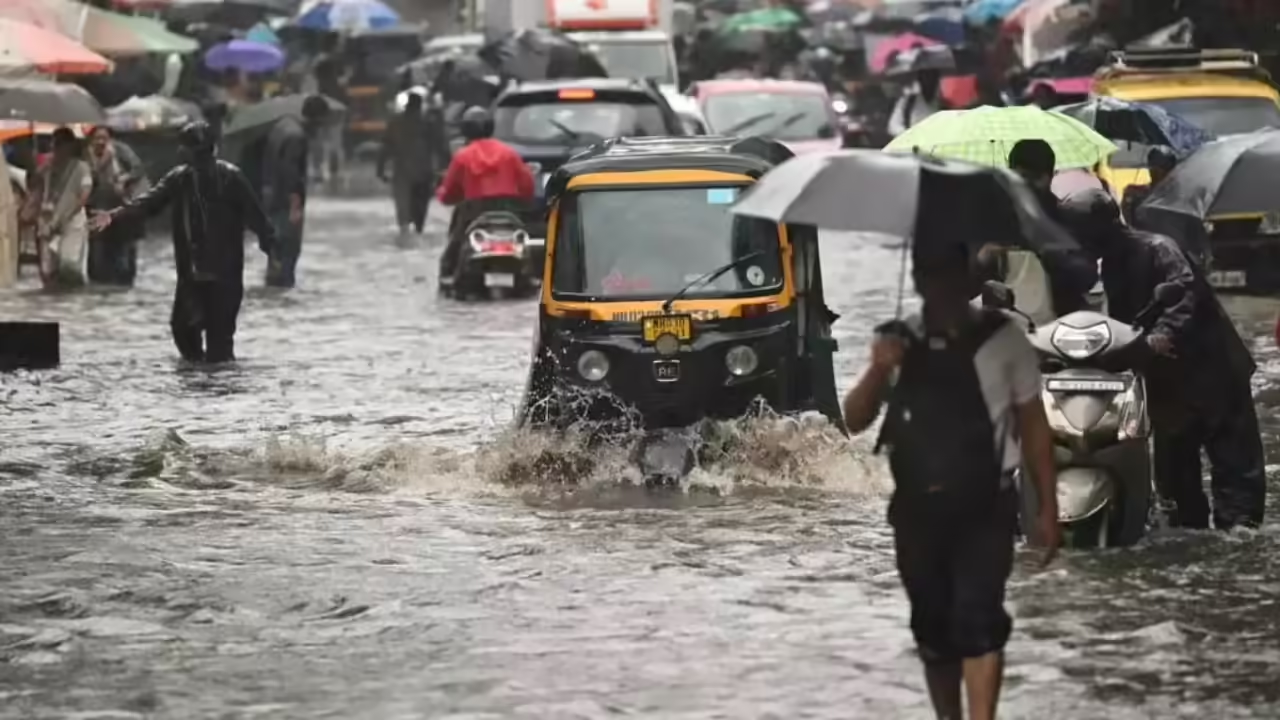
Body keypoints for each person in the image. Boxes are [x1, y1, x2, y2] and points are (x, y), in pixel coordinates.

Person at [842, 242, 1059, 720]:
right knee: (933, 630)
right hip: (917, 512)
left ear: (967, 281)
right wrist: (880, 368)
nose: (936, 286)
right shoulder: (898, 340)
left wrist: (1048, 506)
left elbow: (1034, 426)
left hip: (986, 506)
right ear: (917, 280)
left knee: (980, 618)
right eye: (927, 274)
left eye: (946, 274)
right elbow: (854, 420)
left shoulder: (1006, 340)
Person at [1061, 189, 1266, 531]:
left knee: (1235, 468)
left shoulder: (1158, 248)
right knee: (1174, 478)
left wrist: (1162, 334)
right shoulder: (1108, 266)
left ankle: (1241, 535)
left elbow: (1183, 290)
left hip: (1212, 369)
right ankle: (1189, 536)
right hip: (1166, 381)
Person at [90, 121, 276, 364]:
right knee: (182, 330)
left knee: (220, 344)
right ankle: (197, 383)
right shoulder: (179, 179)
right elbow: (148, 202)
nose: (199, 162)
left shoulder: (231, 178)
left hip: (225, 275)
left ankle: (218, 389)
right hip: (191, 274)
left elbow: (256, 216)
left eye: (201, 155)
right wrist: (114, 215)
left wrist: (270, 243)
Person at [978, 138, 1098, 320]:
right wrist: (985, 258)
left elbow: (1087, 276)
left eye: (1030, 178)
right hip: (1009, 325)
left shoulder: (1069, 219)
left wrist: (1044, 250)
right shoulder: (998, 219)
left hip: (1059, 326)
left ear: (1048, 177)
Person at [435, 106, 535, 285]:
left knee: (453, 249)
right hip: (509, 210)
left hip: (473, 212)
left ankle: (448, 276)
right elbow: (527, 187)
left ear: (465, 129)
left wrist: (443, 193)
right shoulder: (509, 153)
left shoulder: (462, 157)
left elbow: (448, 194)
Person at [261, 95, 330, 288]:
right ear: (317, 119)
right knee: (288, 252)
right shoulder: (296, 137)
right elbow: (290, 173)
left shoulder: (282, 125)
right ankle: (283, 290)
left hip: (271, 198)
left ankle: (273, 290)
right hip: (287, 202)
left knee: (275, 252)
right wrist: (296, 206)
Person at [24, 128, 92, 290]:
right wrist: (38, 169)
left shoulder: (80, 167)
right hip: (48, 220)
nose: (57, 148)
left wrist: (67, 215)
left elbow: (84, 194)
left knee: (68, 263)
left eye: (61, 144)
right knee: (48, 267)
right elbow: (35, 188)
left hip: (72, 220)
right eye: (55, 144)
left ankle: (72, 295)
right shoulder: (47, 167)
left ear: (70, 146)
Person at [377, 90, 451, 237]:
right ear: (420, 106)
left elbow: (385, 148)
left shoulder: (396, 123)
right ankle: (417, 233)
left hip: (403, 172)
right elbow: (440, 146)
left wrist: (380, 169)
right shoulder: (427, 123)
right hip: (424, 172)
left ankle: (405, 235)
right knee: (420, 210)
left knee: (403, 211)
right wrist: (446, 168)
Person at [1128, 147, 1211, 267]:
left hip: (1182, 260)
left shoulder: (1185, 196)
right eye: (1153, 170)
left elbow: (1197, 228)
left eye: (1160, 171)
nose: (1156, 175)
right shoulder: (1140, 196)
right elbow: (1132, 227)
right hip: (1151, 261)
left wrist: (1206, 255)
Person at [85, 126, 148, 286]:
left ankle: (124, 283)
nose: (100, 142)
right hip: (97, 208)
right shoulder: (86, 155)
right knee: (98, 255)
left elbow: (138, 168)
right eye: (97, 138)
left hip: (122, 208)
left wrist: (124, 179)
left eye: (104, 138)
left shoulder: (120, 150)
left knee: (125, 253)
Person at [888, 69, 945, 138]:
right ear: (920, 81)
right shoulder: (909, 101)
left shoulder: (942, 106)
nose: (929, 83)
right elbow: (893, 126)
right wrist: (908, 134)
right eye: (925, 78)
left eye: (933, 78)